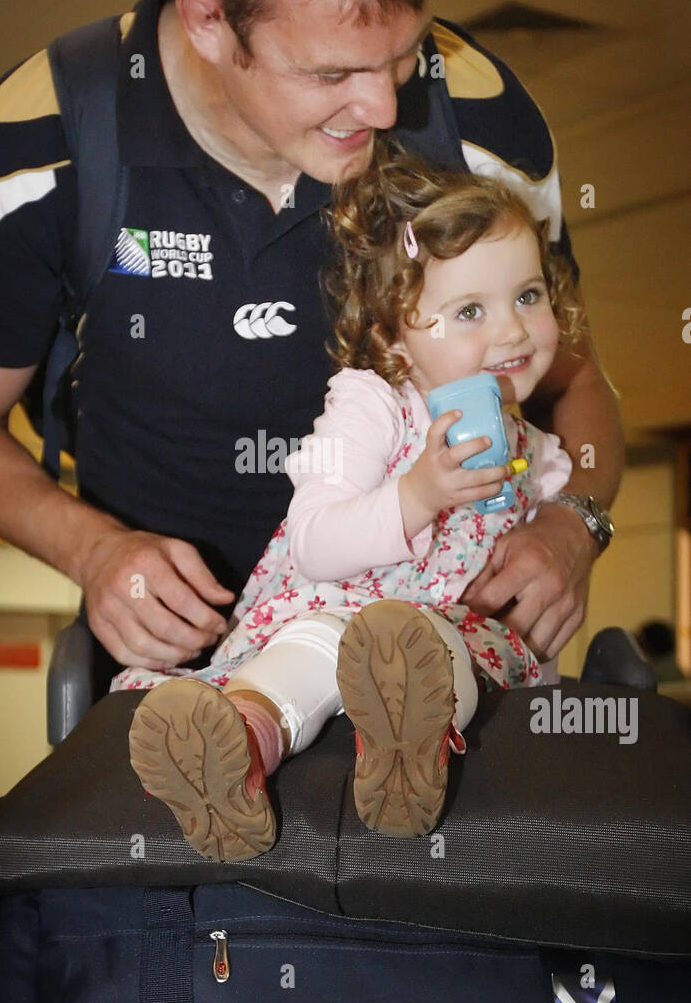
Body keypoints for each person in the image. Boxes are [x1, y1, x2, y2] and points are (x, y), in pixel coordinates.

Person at [0, 0, 622, 694]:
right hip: (185, 679)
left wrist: (575, 524)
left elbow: (576, 382)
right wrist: (92, 553)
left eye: (399, 55)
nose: (383, 110)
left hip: (438, 660)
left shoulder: (477, 128)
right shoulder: (44, 148)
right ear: (210, 22)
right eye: (330, 74)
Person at [121, 150, 581, 861]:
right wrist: (416, 495)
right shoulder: (374, 407)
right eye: (469, 311)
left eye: (528, 296)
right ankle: (237, 748)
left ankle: (407, 756)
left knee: (439, 654)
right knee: (309, 653)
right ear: (397, 332)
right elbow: (314, 541)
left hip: (443, 640)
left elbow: (543, 583)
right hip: (333, 612)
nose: (514, 331)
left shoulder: (539, 452)